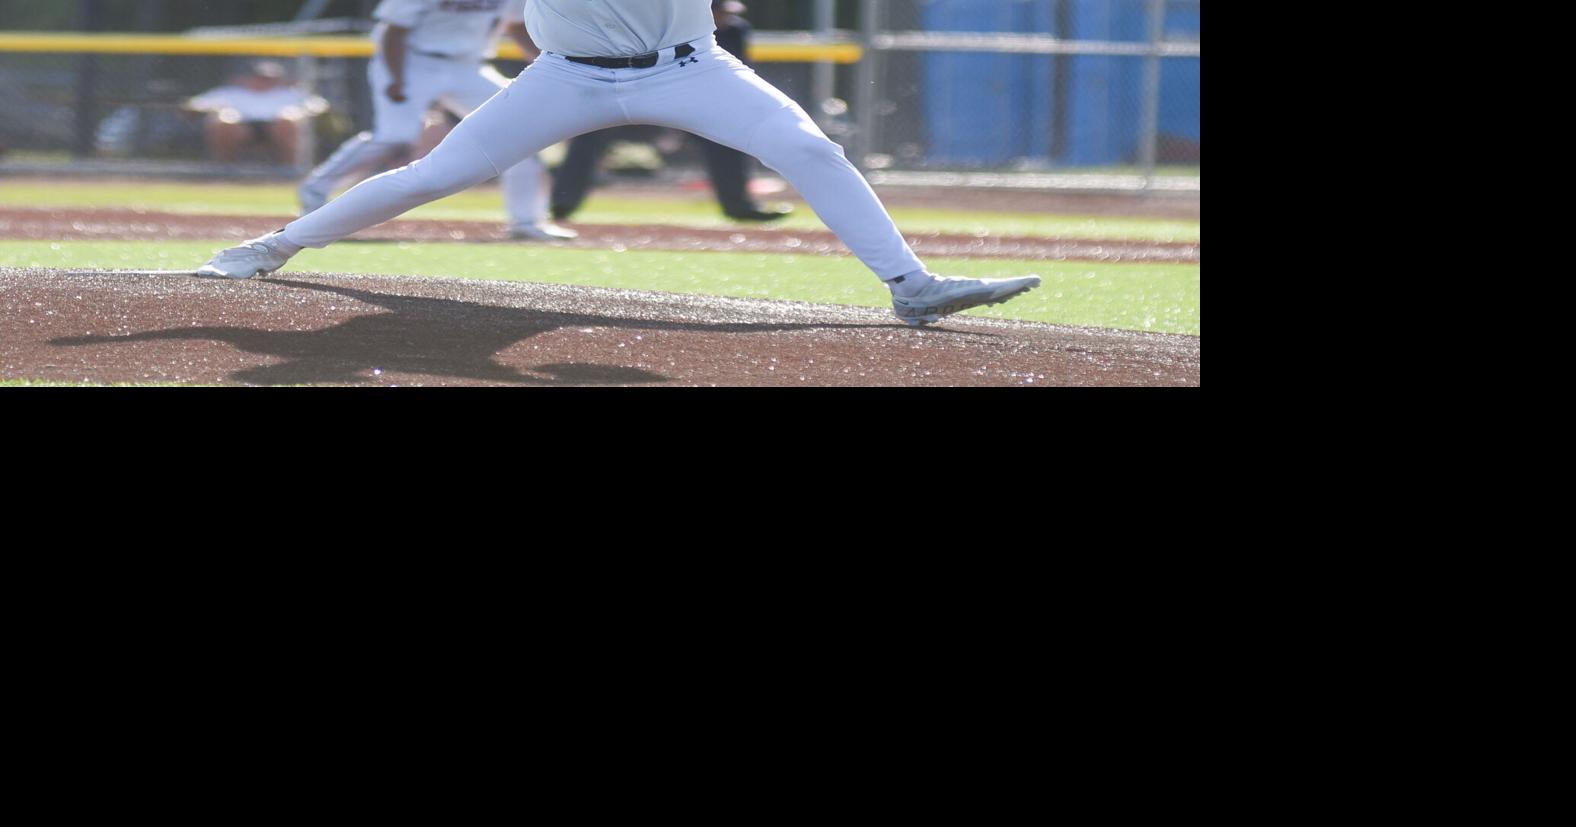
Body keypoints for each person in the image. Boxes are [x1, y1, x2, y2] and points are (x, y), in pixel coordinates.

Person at [198, 0, 1039, 328]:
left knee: (808, 146)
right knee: (433, 176)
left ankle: (908, 283)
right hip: (565, 79)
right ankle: (270, 246)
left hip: (691, 66)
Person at [296, 0, 574, 241]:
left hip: (467, 64)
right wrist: (396, 77)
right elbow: (394, 31)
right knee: (395, 137)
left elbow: (515, 27)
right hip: (412, 61)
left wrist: (552, 64)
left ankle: (527, 221)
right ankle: (315, 189)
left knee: (520, 134)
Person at [550, 0, 793, 223]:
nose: (724, 17)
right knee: (587, 136)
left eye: (726, 12)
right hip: (635, 94)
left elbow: (734, 75)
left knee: (728, 141)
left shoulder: (735, 31)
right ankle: (562, 204)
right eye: (719, 11)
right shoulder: (662, 25)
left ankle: (739, 206)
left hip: (694, 101)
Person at [187, 62, 329, 164]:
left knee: (287, 120)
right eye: (260, 77)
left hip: (277, 127)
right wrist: (215, 110)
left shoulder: (290, 93)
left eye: (270, 78)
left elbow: (319, 105)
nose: (264, 81)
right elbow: (195, 104)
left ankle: (291, 169)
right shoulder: (232, 92)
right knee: (224, 122)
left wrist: (302, 112)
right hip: (243, 128)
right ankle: (226, 168)